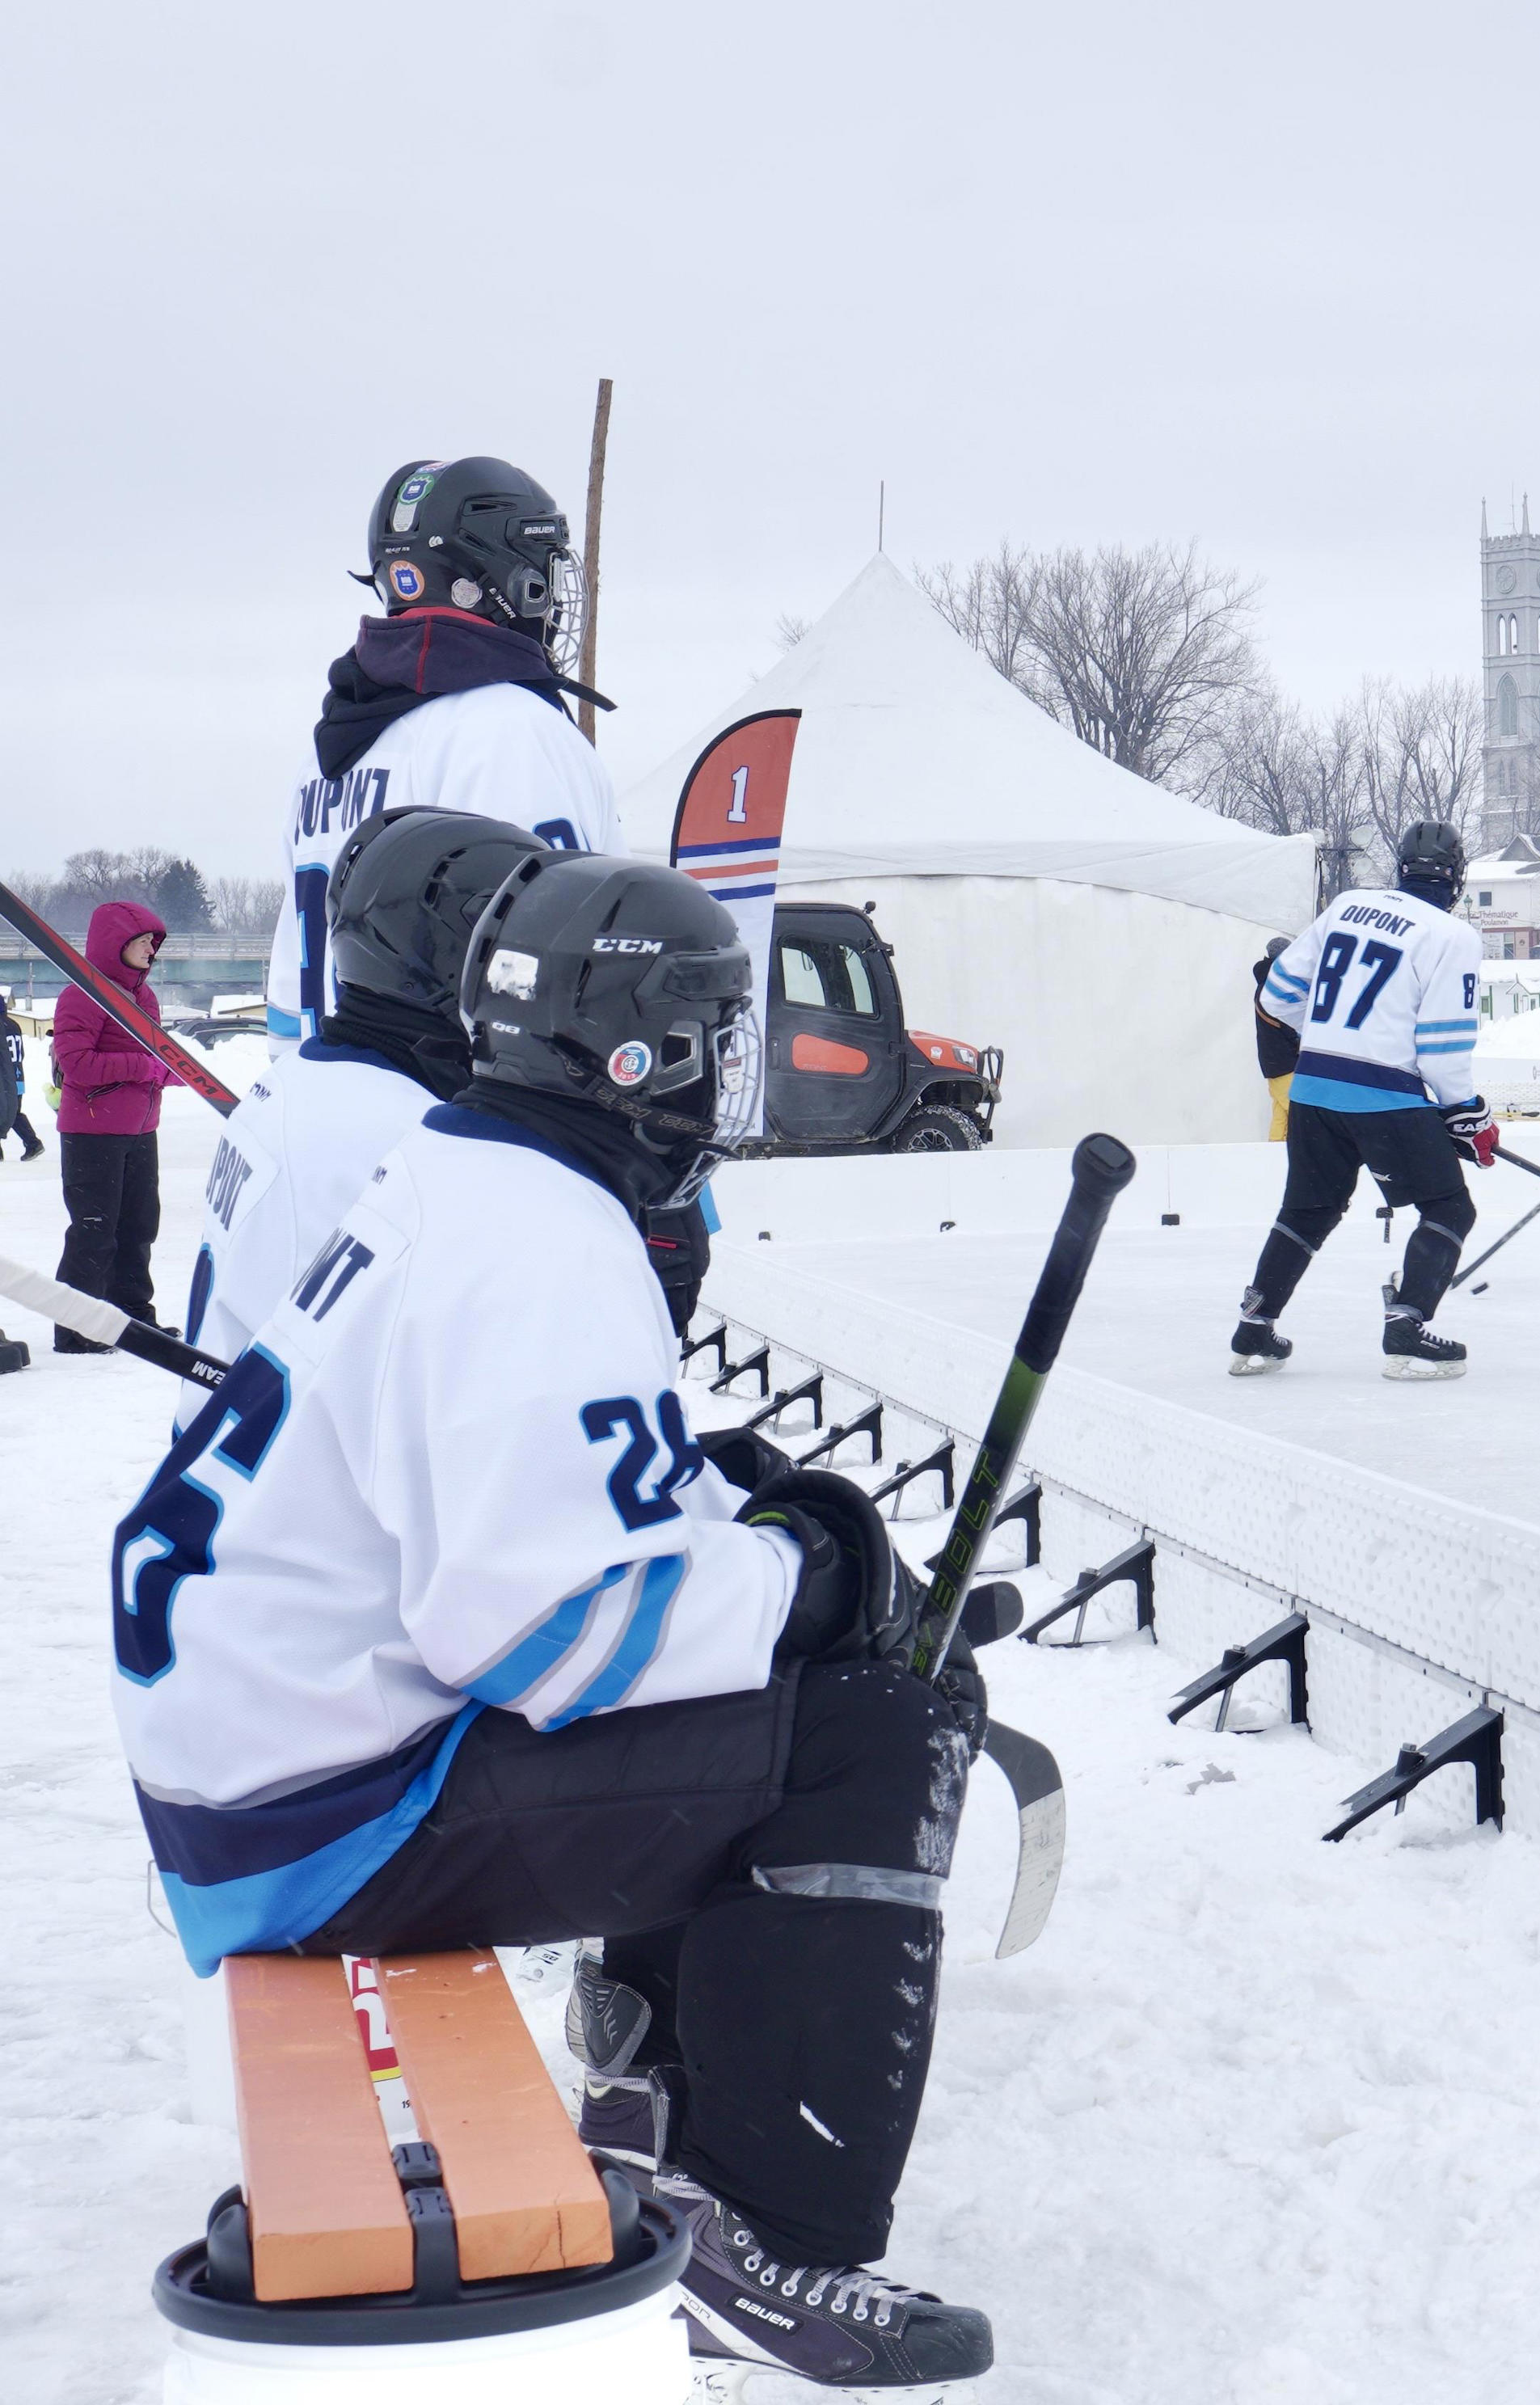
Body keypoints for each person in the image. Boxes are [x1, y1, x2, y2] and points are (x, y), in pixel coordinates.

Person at [110, 854, 990, 2394]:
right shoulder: (543, 1238)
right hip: (321, 1822)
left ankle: (664, 2081)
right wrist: (811, 1582)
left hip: (259, 1766)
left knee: (770, 1683)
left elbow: (548, 1519)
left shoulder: (464, 1169)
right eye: (716, 1032)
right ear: (637, 1047)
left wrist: (751, 1528)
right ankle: (765, 2233)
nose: (732, 1071)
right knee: (876, 1721)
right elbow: (555, 1642)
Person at [265, 457, 616, 1042]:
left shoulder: (326, 751)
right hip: (453, 1124)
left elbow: (284, 1009)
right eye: (545, 568)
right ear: (508, 578)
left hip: (328, 1110)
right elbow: (564, 981)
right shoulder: (512, 730)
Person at [182, 808, 547, 1367]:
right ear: (457, 953)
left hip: (240, 1439)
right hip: (319, 1454)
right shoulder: (407, 1140)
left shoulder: (298, 1084)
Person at [1231, 823, 1493, 1380]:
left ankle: (1254, 1328)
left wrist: (1335, 1041)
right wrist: (1467, 1114)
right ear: (1456, 877)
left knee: (1308, 1208)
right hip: (1383, 1096)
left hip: (1313, 1090)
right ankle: (1407, 1329)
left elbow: (1275, 995)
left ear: (1402, 867)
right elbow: (1443, 1052)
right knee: (1449, 1207)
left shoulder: (1348, 906)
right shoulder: (1453, 936)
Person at [51, 899, 176, 1352]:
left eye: (152, 944)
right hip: (92, 1132)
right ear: (114, 944)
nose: (150, 951)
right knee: (94, 1231)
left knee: (139, 1226)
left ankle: (133, 1318)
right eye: (142, 942)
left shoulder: (145, 997)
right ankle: (76, 1328)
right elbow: (77, 1064)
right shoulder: (80, 995)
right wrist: (147, 1068)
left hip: (141, 1130)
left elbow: (156, 1058)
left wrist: (167, 1070)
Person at [1251, 935, 1300, 1140]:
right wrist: (1298, 1039)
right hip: (1282, 1059)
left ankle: (1273, 1152)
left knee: (1281, 1112)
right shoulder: (1272, 987)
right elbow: (1282, 1020)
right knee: (1298, 1111)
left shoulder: (1268, 984)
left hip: (1275, 1060)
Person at [1, 989, 40, 1159]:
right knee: (13, 1112)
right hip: (17, 1074)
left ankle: (33, 1143)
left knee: (9, 1112)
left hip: (4, 1076)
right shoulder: (14, 1024)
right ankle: (32, 1143)